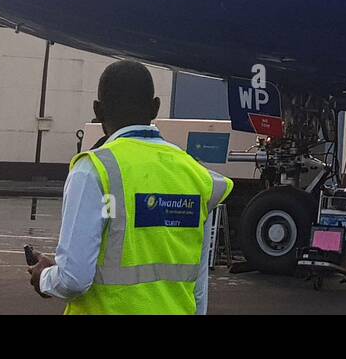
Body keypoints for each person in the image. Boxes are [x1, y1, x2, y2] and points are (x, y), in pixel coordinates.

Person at [28, 60, 232, 314]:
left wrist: (45, 277)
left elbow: (74, 279)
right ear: (156, 107)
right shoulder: (194, 174)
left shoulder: (94, 170)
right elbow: (198, 288)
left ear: (97, 110)